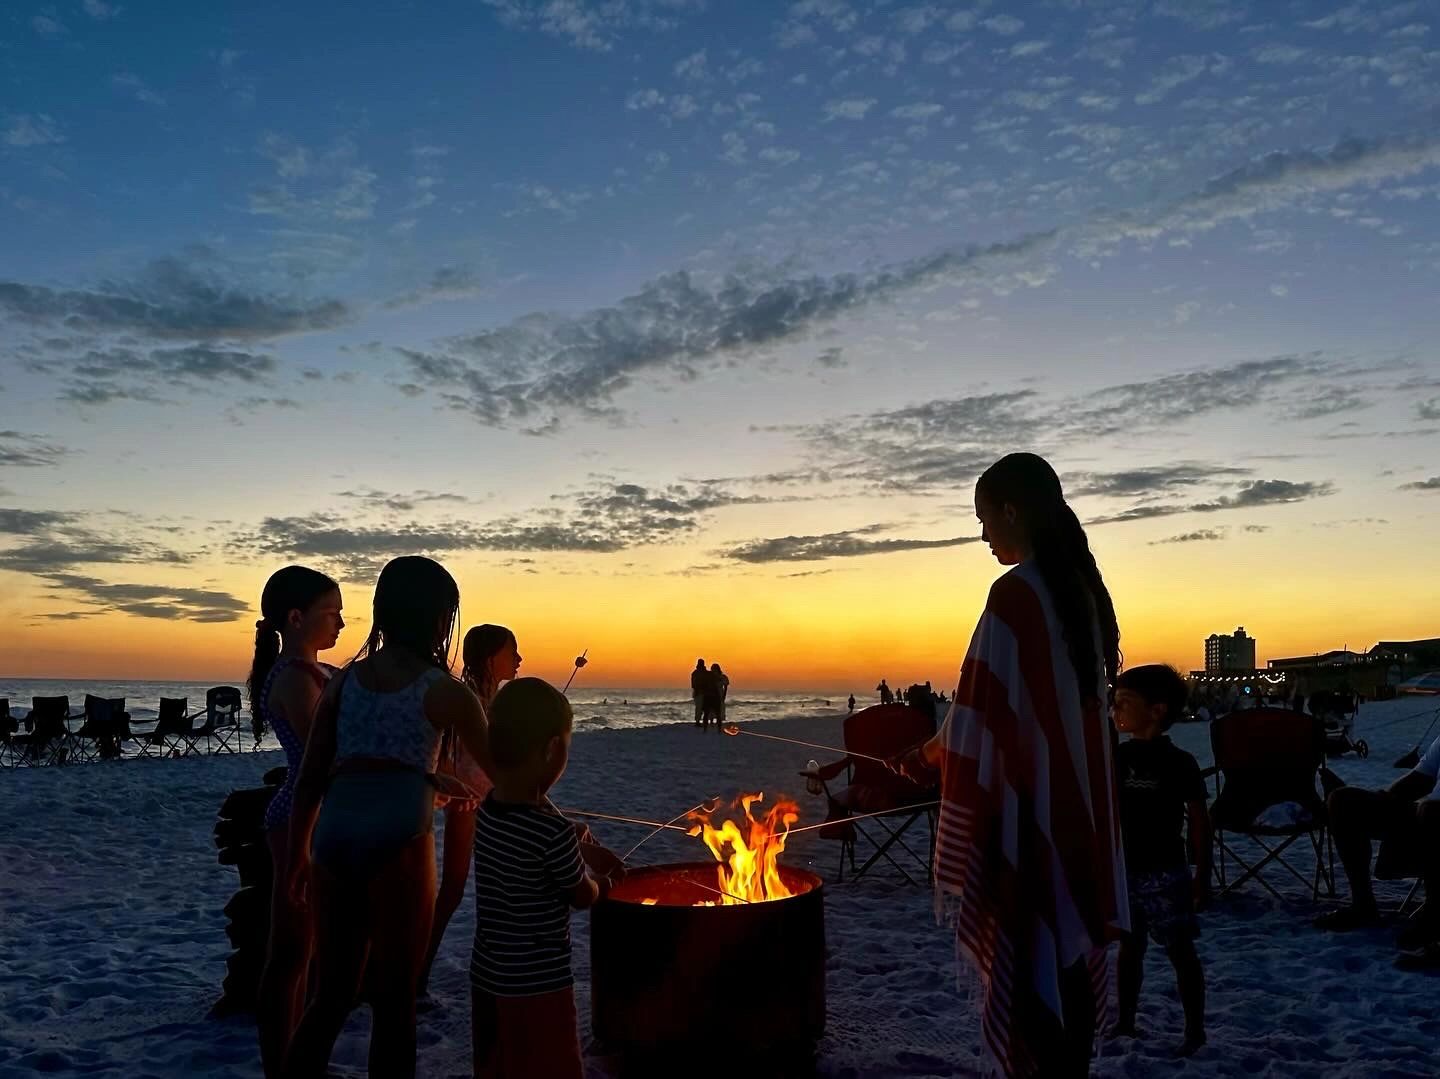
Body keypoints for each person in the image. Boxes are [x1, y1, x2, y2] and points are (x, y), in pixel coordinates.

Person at [894, 452, 1126, 1078]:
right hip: (1076, 811)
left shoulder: (1016, 593)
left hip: (1032, 810)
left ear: (1012, 511)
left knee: (1034, 964)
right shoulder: (1078, 590)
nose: (984, 535)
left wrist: (924, 757)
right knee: (1067, 964)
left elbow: (977, 714)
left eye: (984, 520)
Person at [280, 556, 492, 1079]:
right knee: (394, 1003)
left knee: (330, 996)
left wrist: (295, 860)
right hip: (401, 840)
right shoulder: (445, 691)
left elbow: (312, 779)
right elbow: (502, 776)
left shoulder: (342, 683)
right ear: (441, 618)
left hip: (333, 838)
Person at [470, 677, 618, 1079]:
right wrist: (603, 883)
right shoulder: (549, 832)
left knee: (497, 1064)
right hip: (539, 982)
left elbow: (527, 843)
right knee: (552, 1065)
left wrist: (577, 844)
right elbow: (580, 894)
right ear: (553, 749)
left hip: (487, 971)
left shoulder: (487, 811)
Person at [248, 566, 344, 1078]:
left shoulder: (310, 672)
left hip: (308, 814)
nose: (341, 625)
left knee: (306, 951)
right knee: (290, 952)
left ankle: (296, 1060)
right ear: (296, 617)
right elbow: (321, 758)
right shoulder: (294, 676)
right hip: (296, 818)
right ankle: (280, 1065)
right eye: (332, 614)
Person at [1110, 664, 1209, 1057]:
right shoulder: (1116, 757)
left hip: (1166, 870)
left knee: (1181, 951)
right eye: (1114, 703)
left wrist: (1202, 874)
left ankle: (1195, 1029)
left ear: (1156, 710)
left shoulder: (1179, 761)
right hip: (1125, 868)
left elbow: (1200, 819)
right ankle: (1126, 1020)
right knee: (1129, 949)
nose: (1115, 711)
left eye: (1124, 703)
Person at [417, 624, 521, 1000]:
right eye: (513, 652)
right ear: (492, 658)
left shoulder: (496, 702)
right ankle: (419, 973)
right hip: (468, 805)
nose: (519, 659)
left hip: (496, 805)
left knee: (495, 889)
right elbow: (443, 758)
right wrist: (452, 784)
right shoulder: (467, 699)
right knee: (454, 888)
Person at [1315, 731, 1440, 955]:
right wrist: (1380, 800)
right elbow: (1419, 780)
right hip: (1428, 816)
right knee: (1344, 801)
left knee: (1432, 812)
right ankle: (1363, 906)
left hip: (1434, 816)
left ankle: (1435, 917)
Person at [708, 663, 730, 729]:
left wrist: (724, 695)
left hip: (720, 694)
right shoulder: (710, 677)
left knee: (720, 708)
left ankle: (718, 722)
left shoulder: (723, 677)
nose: (713, 670)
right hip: (712, 694)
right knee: (711, 708)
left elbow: (726, 687)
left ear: (717, 669)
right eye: (712, 669)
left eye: (714, 669)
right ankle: (711, 722)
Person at [691, 659, 708, 726]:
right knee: (700, 708)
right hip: (700, 692)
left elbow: (693, 684)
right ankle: (698, 721)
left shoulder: (695, 673)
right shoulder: (697, 673)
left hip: (702, 692)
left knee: (701, 708)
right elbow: (693, 684)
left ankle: (699, 721)